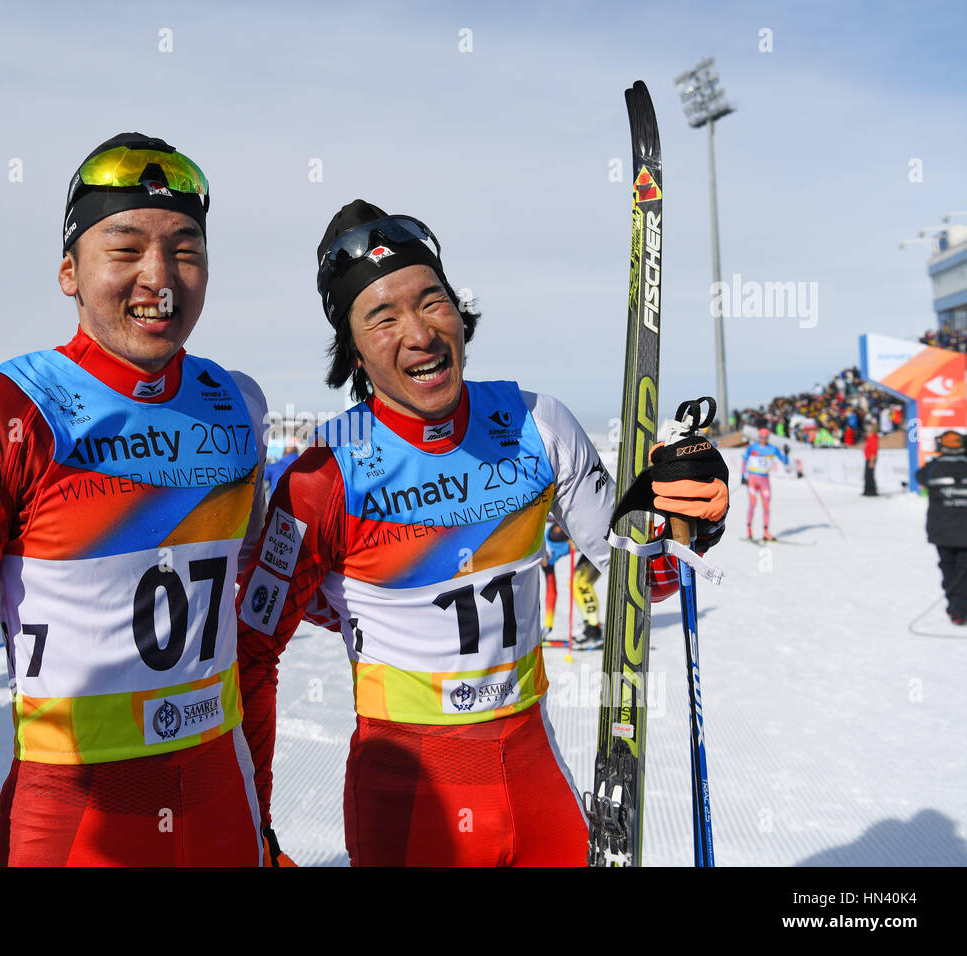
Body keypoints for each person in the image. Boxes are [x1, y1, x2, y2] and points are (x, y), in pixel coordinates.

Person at [236, 201, 728, 866]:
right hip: (411, 800)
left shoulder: (537, 423)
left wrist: (684, 521)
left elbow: (636, 582)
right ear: (353, 350)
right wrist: (254, 829)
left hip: (533, 774)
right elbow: (251, 655)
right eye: (381, 317)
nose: (419, 333)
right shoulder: (325, 475)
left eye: (431, 300)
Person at [0, 133, 270, 866]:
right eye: (125, 250)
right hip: (73, 826)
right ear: (69, 272)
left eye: (185, 251)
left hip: (224, 807)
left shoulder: (238, 405)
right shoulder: (0, 414)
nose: (159, 278)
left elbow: (251, 620)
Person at [915, 431, 967, 625]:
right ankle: (958, 608)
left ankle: (957, 608)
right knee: (962, 571)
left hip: (942, 531)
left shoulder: (933, 467)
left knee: (949, 569)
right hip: (959, 532)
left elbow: (919, 477)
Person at [538, 518, 603, 649]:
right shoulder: (546, 563)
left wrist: (574, 537)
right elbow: (551, 591)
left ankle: (593, 630)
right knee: (574, 584)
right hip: (590, 550)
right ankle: (590, 625)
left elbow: (574, 520)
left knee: (581, 583)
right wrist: (548, 625)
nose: (541, 564)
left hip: (600, 543)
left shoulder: (554, 535)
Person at [742, 426, 788, 541]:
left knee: (766, 506)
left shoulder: (773, 449)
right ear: (759, 437)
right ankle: (749, 531)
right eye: (762, 437)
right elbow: (744, 460)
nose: (764, 439)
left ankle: (766, 532)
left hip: (764, 480)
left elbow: (784, 461)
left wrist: (786, 453)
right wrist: (743, 476)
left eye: (766, 437)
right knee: (752, 504)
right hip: (752, 479)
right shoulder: (752, 447)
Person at [862, 420, 879, 496]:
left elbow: (874, 449)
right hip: (868, 458)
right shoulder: (868, 437)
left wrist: (872, 461)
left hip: (871, 458)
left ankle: (872, 491)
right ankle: (867, 490)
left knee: (870, 475)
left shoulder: (874, 437)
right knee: (867, 475)